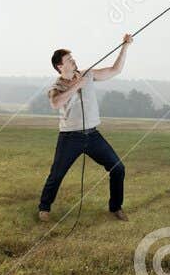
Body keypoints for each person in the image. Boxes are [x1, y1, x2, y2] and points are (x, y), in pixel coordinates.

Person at [37, 35, 133, 222]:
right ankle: (44, 208)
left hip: (93, 135)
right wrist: (76, 86)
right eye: (69, 60)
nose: (73, 61)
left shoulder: (87, 74)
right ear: (60, 66)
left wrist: (125, 47)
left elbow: (115, 70)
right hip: (69, 138)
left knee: (118, 168)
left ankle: (115, 207)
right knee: (56, 174)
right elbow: (56, 103)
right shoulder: (56, 86)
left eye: (73, 58)